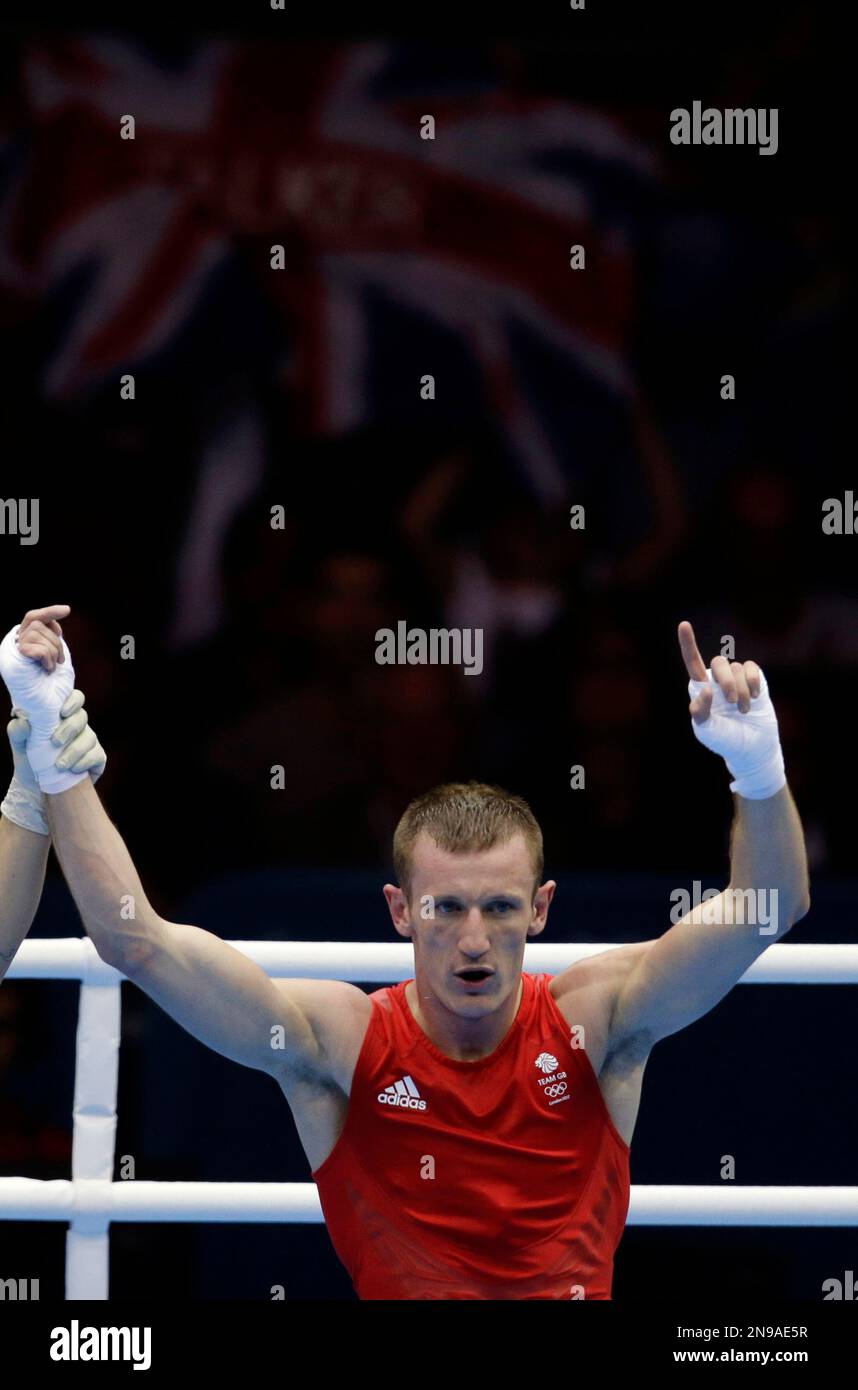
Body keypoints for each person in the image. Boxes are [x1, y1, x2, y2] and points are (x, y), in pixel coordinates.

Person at [0, 604, 810, 1299]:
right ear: (399, 911)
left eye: (498, 908)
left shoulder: (601, 1017)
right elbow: (133, 941)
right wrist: (49, 735)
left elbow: (767, 912)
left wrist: (756, 769)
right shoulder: (338, 1041)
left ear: (540, 910)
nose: (471, 940)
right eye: (445, 907)